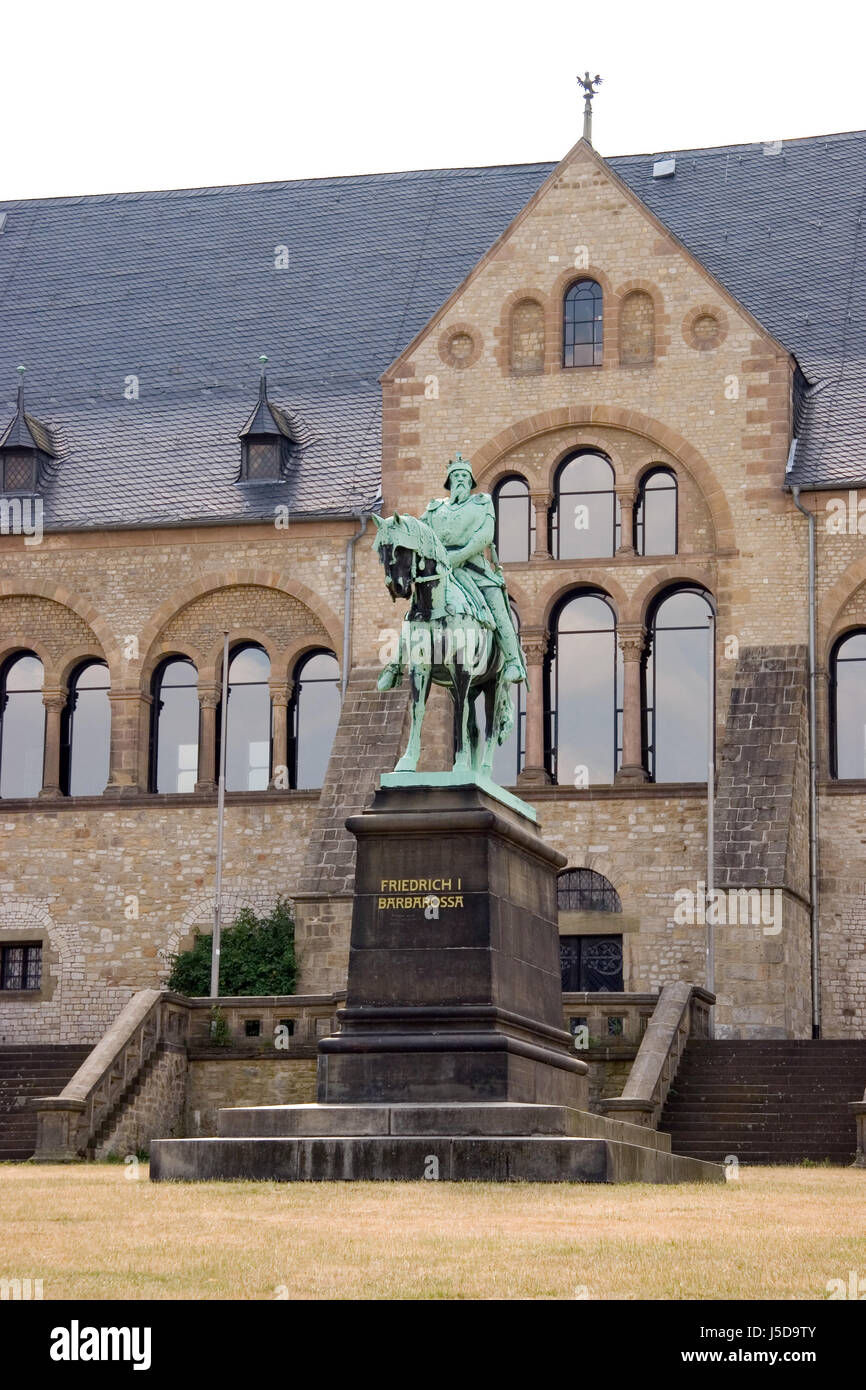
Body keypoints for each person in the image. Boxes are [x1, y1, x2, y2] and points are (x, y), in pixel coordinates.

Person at [421, 454, 526, 684]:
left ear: (470, 482)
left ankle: (513, 662)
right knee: (416, 608)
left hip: (474, 569)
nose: (460, 479)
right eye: (456, 476)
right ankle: (398, 663)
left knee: (498, 607)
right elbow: (420, 533)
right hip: (441, 573)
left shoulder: (482, 503)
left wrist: (457, 556)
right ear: (449, 483)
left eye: (464, 476)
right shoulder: (435, 509)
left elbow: (484, 537)